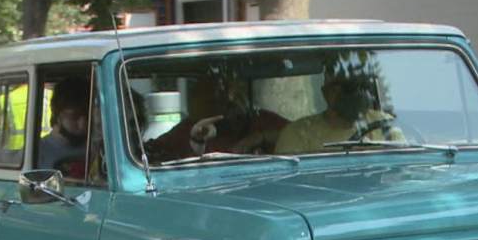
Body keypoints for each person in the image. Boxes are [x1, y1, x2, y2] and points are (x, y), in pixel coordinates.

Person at [144, 74, 287, 163]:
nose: (230, 100)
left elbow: (299, 134)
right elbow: (148, 154)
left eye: (236, 93)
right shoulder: (188, 130)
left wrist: (260, 138)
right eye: (218, 95)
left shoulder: (261, 120)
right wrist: (196, 140)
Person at [274, 65, 404, 155]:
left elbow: (404, 171)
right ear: (327, 93)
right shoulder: (297, 134)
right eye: (348, 88)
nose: (355, 94)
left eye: (362, 86)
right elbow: (290, 188)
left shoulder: (386, 125)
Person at [38, 77, 90, 173]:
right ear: (57, 115)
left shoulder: (98, 150)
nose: (83, 125)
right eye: (74, 117)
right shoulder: (37, 153)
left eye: (88, 116)